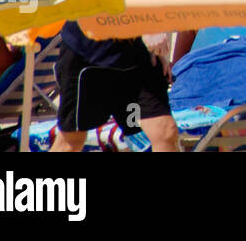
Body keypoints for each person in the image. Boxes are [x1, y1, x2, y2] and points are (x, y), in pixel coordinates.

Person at [51, 21, 180, 152]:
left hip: (137, 54)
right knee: (70, 142)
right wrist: (147, 28)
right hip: (89, 54)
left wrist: (156, 44)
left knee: (164, 132)